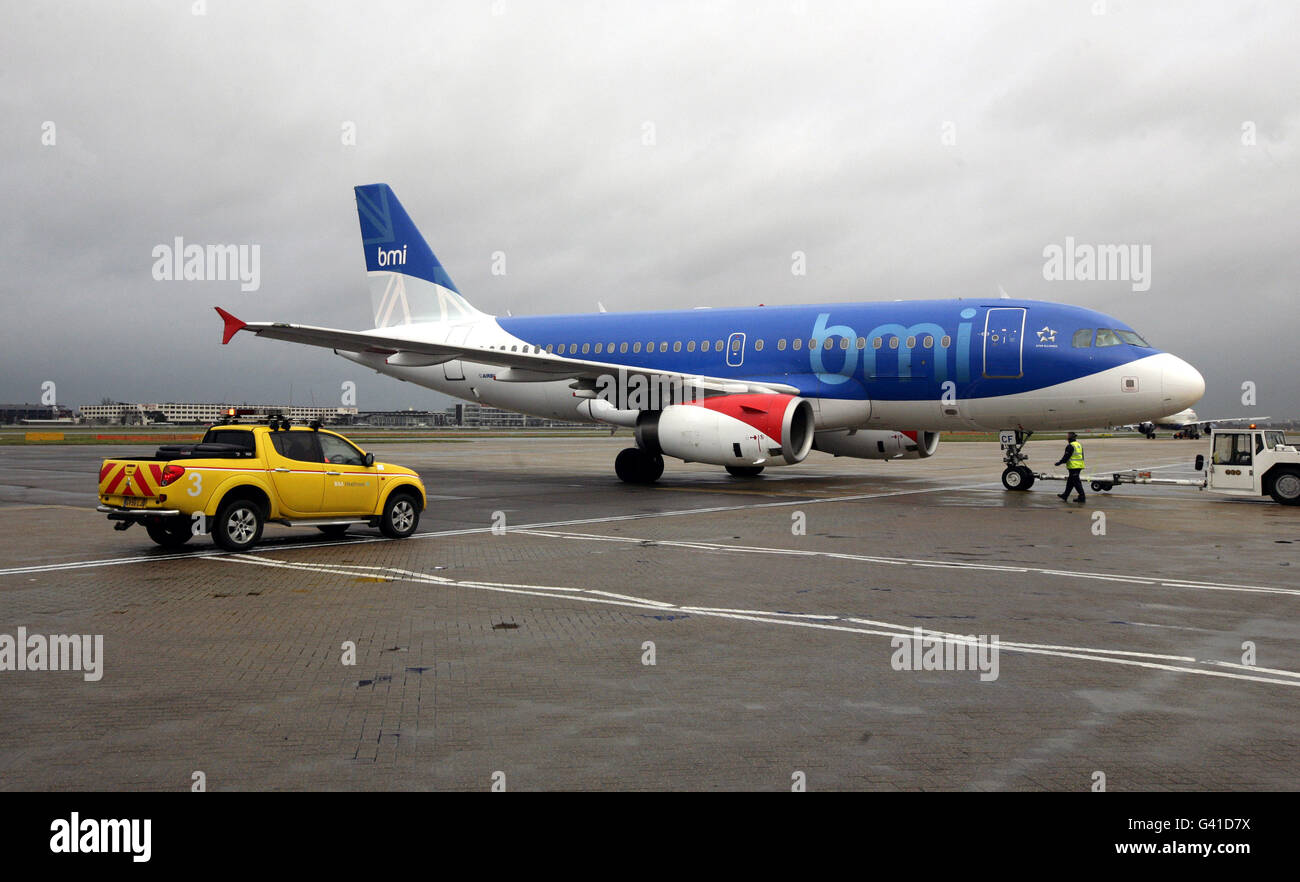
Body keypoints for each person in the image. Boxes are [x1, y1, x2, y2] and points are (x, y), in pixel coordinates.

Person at [1055, 432, 1086, 502]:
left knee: (1076, 482)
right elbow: (1082, 456)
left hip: (1074, 466)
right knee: (1070, 481)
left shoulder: (1070, 446)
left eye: (1067, 437)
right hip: (1079, 465)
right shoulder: (1079, 445)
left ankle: (1082, 497)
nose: (1067, 438)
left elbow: (1066, 457)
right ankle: (1065, 495)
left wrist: (1059, 462)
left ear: (1070, 438)